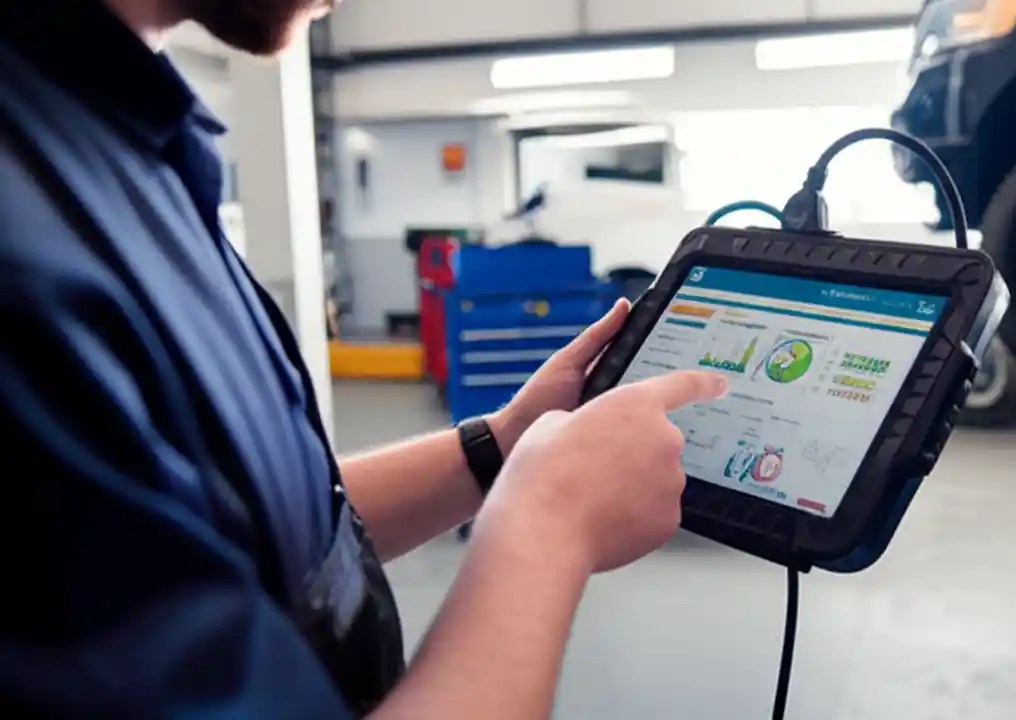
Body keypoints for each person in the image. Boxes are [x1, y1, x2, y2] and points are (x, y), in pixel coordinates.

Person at [0, 0, 727, 717]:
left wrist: (501, 447)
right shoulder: (28, 226)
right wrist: (552, 522)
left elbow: (243, 524)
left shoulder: (111, 136)